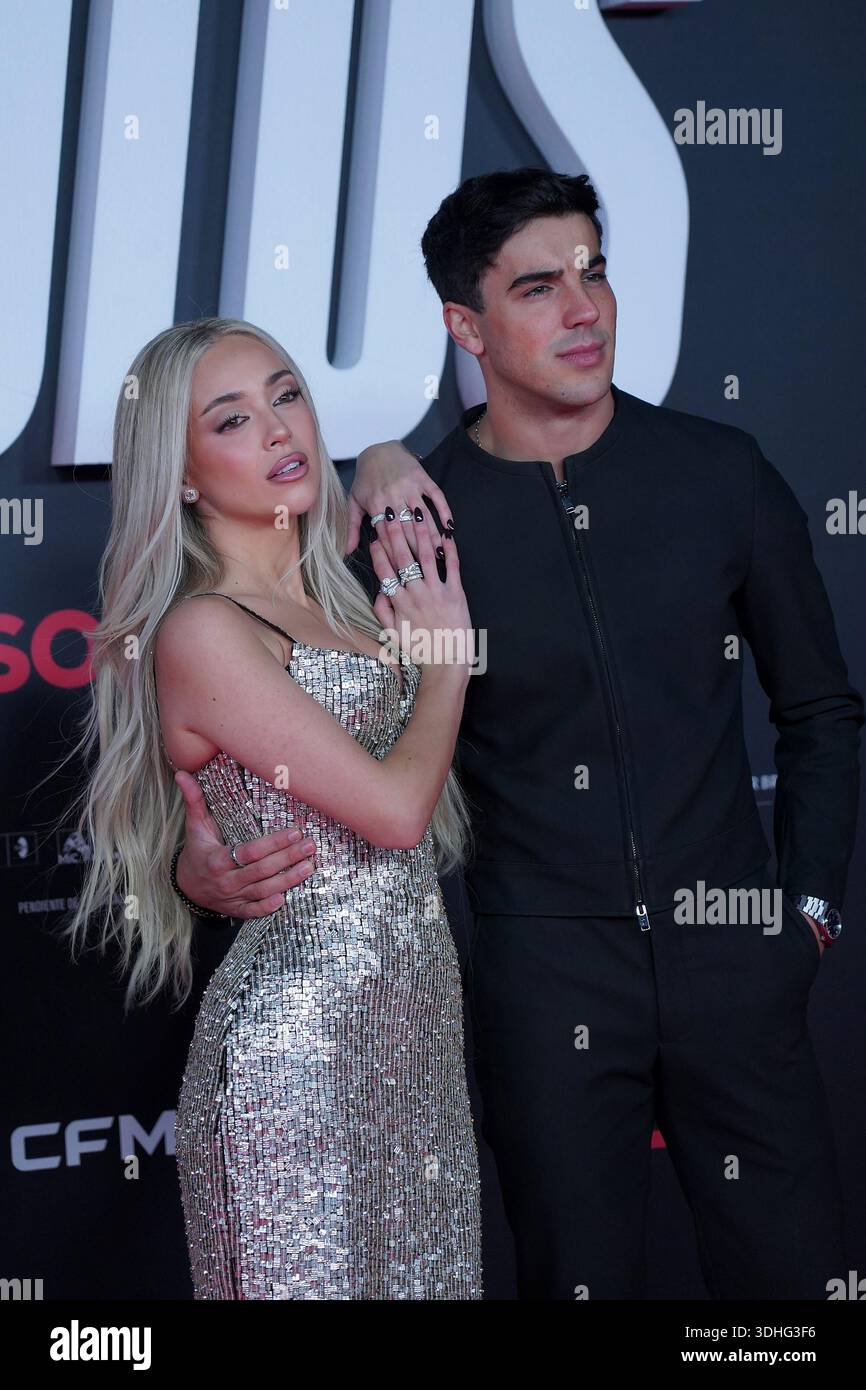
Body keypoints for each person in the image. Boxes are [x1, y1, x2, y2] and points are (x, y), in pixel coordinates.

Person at [174, 169, 864, 1300]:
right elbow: (271, 733)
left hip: (735, 962)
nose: (582, 309)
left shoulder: (719, 473)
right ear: (465, 325)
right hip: (544, 989)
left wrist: (807, 917)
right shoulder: (406, 525)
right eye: (537, 288)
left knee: (789, 1295)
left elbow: (820, 713)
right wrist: (193, 864)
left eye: (592, 273)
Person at [56, 316, 482, 1300]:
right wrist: (446, 671)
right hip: (298, 1059)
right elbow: (391, 814)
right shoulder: (204, 629)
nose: (280, 429)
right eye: (233, 419)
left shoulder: (330, 588)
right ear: (184, 475)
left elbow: (369, 485)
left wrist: (378, 454)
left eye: (287, 394)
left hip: (414, 1048)